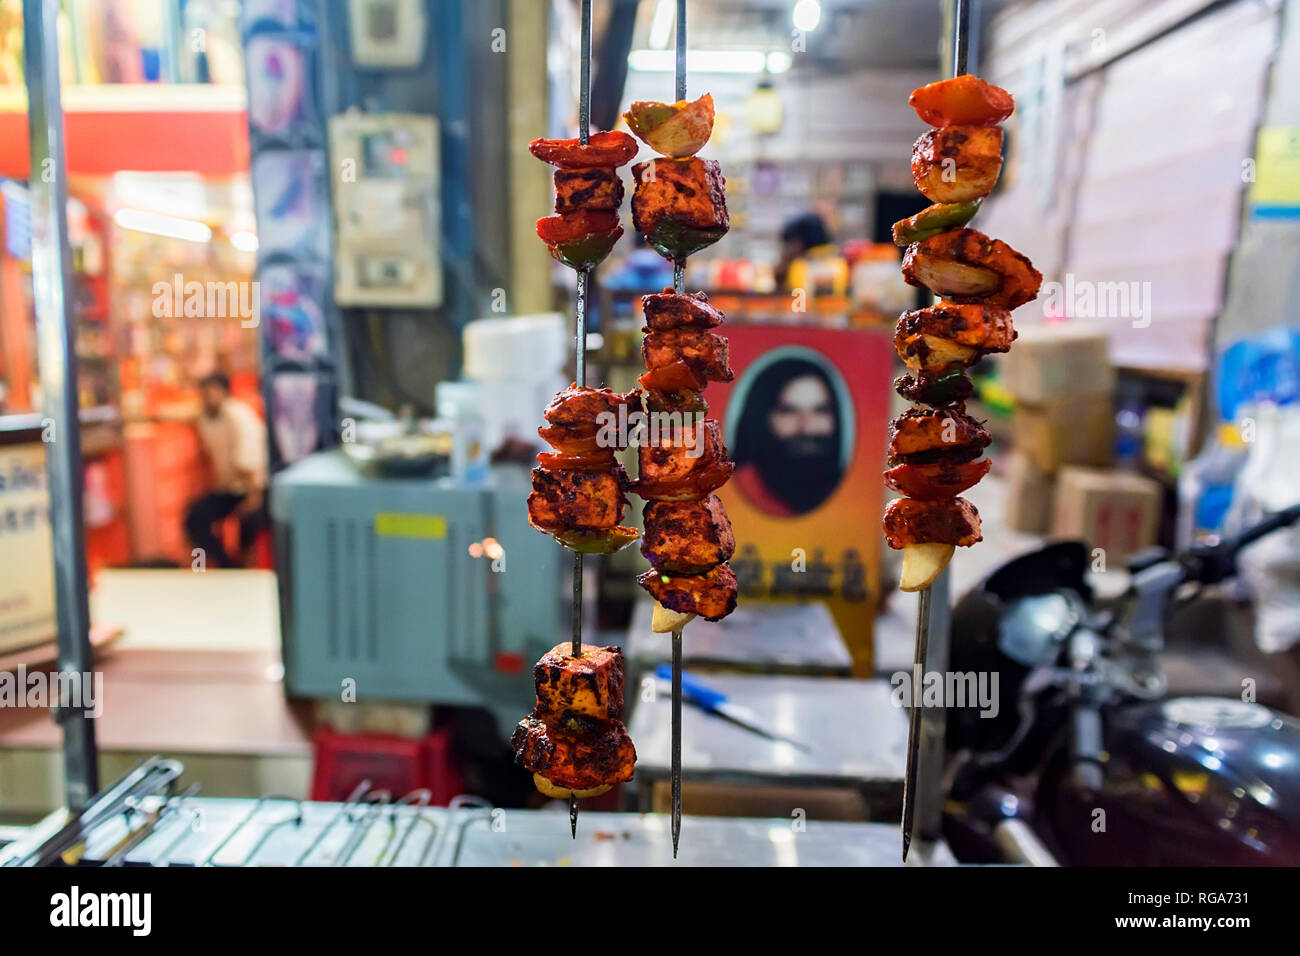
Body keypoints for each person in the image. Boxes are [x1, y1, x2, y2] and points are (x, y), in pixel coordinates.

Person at [731, 357, 846, 517]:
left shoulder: (850, 491)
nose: (807, 428)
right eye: (789, 412)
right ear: (763, 418)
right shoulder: (735, 488)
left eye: (820, 411)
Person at [185, 372, 268, 568]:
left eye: (213, 392)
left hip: (255, 487)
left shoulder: (238, 414)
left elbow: (251, 455)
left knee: (250, 522)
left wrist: (253, 495)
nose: (208, 397)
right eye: (205, 392)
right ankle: (227, 565)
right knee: (195, 518)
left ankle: (248, 568)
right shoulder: (206, 417)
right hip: (229, 489)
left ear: (225, 392)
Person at [775, 212, 848, 295]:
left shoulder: (799, 267)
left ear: (800, 241)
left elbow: (794, 301)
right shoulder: (839, 263)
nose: (787, 249)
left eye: (789, 243)